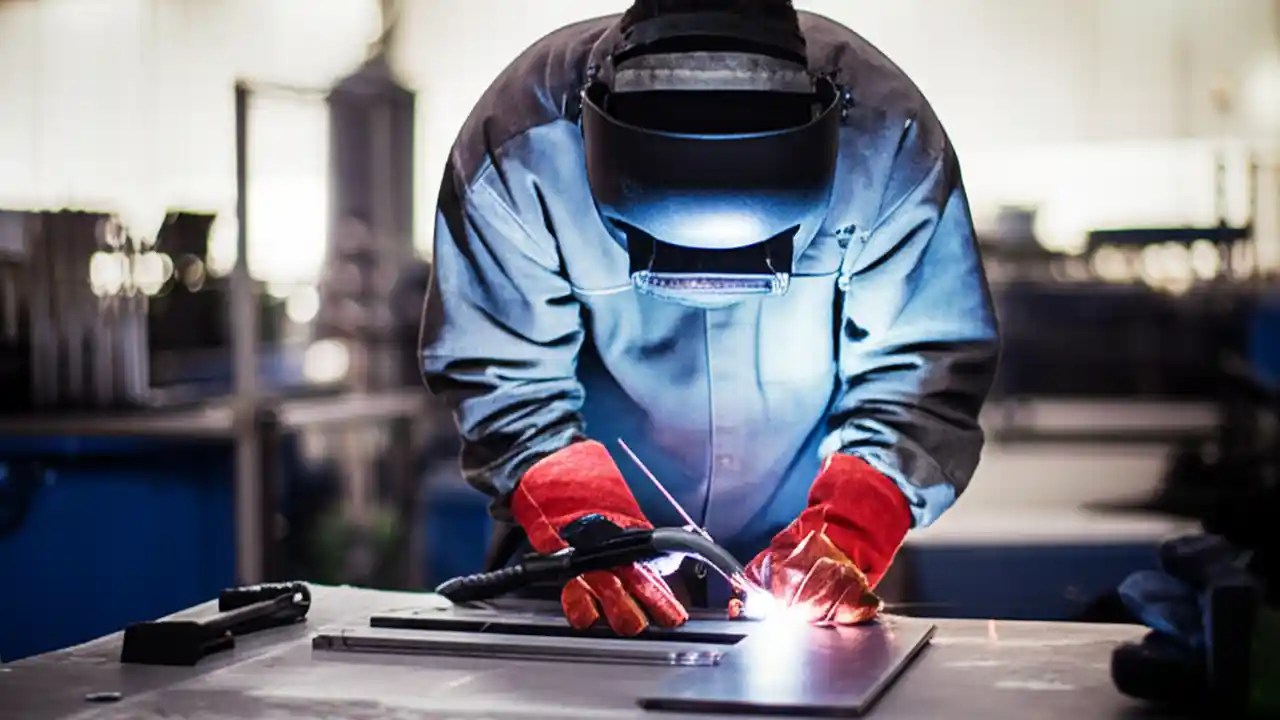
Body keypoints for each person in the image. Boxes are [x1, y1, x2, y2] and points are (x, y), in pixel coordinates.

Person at [421, 0, 999, 636]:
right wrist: (586, 520)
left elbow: (920, 378)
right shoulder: (521, 150)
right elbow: (505, 380)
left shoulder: (890, 145)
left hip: (819, 575)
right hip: (589, 564)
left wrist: (847, 529)